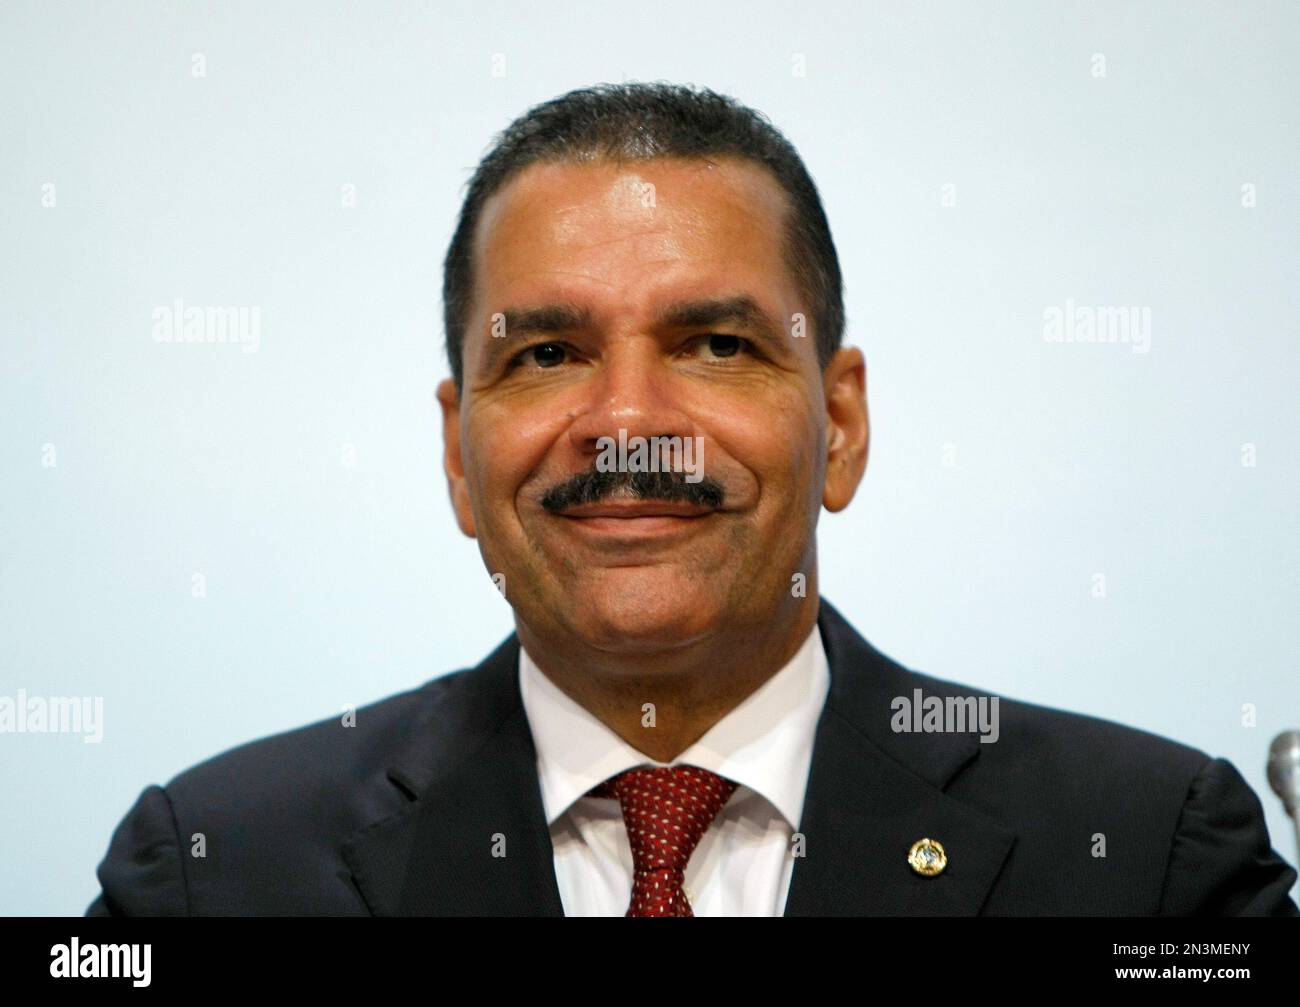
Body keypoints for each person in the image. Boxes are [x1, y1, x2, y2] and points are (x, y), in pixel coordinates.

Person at [86, 82, 1298, 916]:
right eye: (547, 354)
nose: (628, 424)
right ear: (459, 453)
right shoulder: (212, 868)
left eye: (715, 343)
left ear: (841, 424)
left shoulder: (1147, 855)